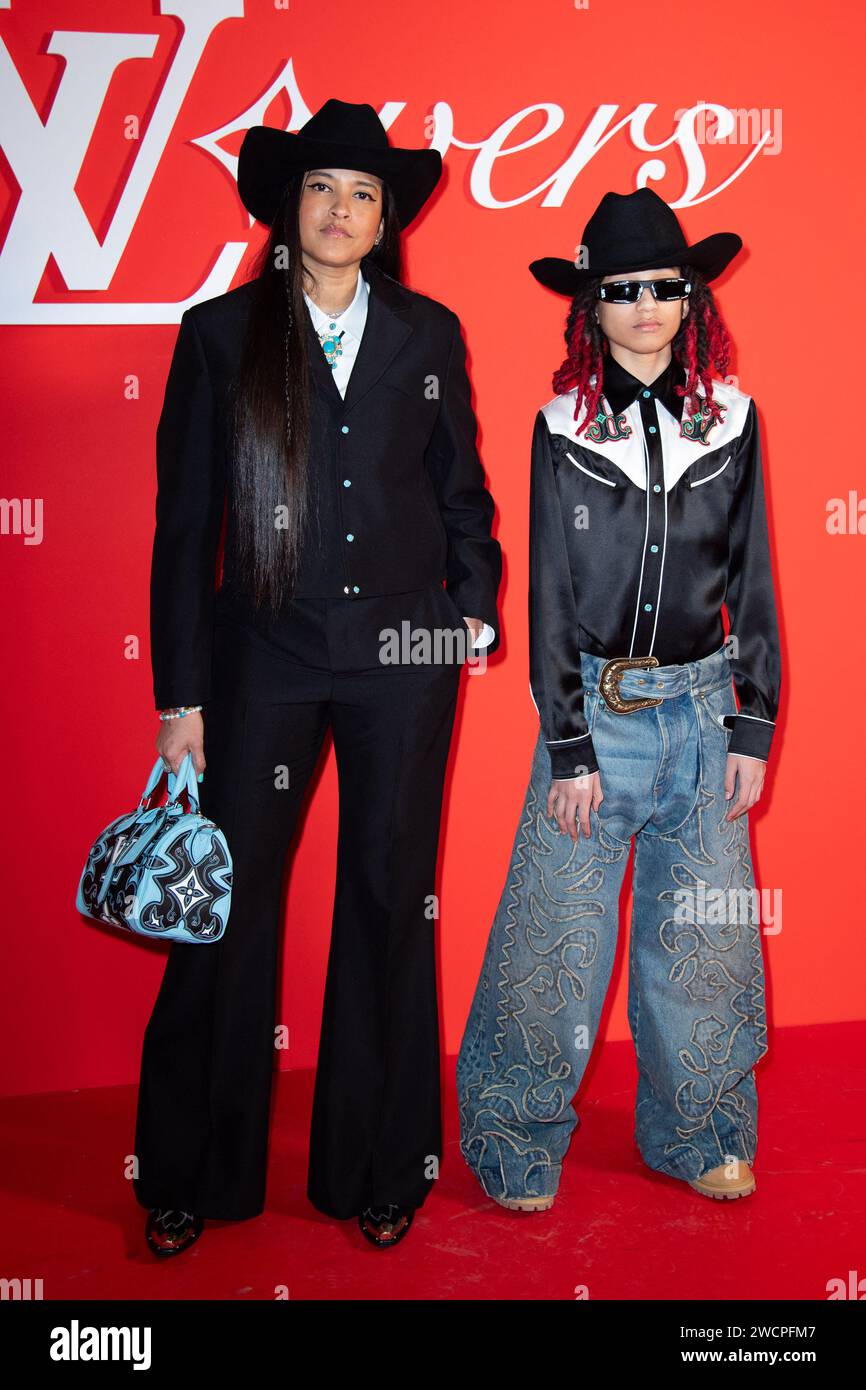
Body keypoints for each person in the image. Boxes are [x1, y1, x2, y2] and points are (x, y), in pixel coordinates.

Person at [133, 99, 502, 1253]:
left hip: (404, 659)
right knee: (226, 908)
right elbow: (184, 524)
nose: (339, 211)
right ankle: (190, 1167)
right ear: (285, 209)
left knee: (390, 902)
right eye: (319, 189)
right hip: (265, 656)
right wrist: (180, 697)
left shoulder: (425, 333)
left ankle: (379, 1164)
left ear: (385, 217)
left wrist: (474, 608)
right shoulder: (218, 333)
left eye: (362, 194)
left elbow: (462, 494)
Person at [456, 188, 780, 1210]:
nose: (644, 306)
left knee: (704, 945)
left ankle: (698, 1133)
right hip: (594, 716)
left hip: (704, 713)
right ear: (588, 308)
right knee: (552, 941)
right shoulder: (559, 428)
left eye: (662, 288)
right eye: (621, 291)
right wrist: (565, 742)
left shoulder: (732, 418)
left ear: (688, 299)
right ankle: (511, 1137)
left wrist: (754, 718)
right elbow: (546, 596)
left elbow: (753, 579)